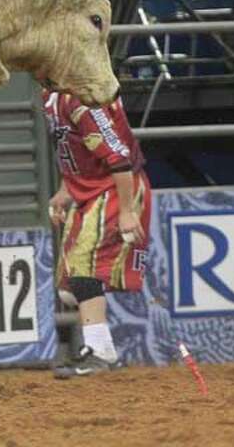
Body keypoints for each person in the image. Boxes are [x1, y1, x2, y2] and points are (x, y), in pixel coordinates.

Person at [45, 89, 151, 377]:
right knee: (68, 287)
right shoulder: (53, 98)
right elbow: (79, 153)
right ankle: (95, 348)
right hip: (90, 192)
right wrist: (65, 192)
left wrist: (127, 211)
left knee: (82, 269)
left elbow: (118, 157)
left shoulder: (83, 100)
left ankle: (100, 352)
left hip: (115, 190)